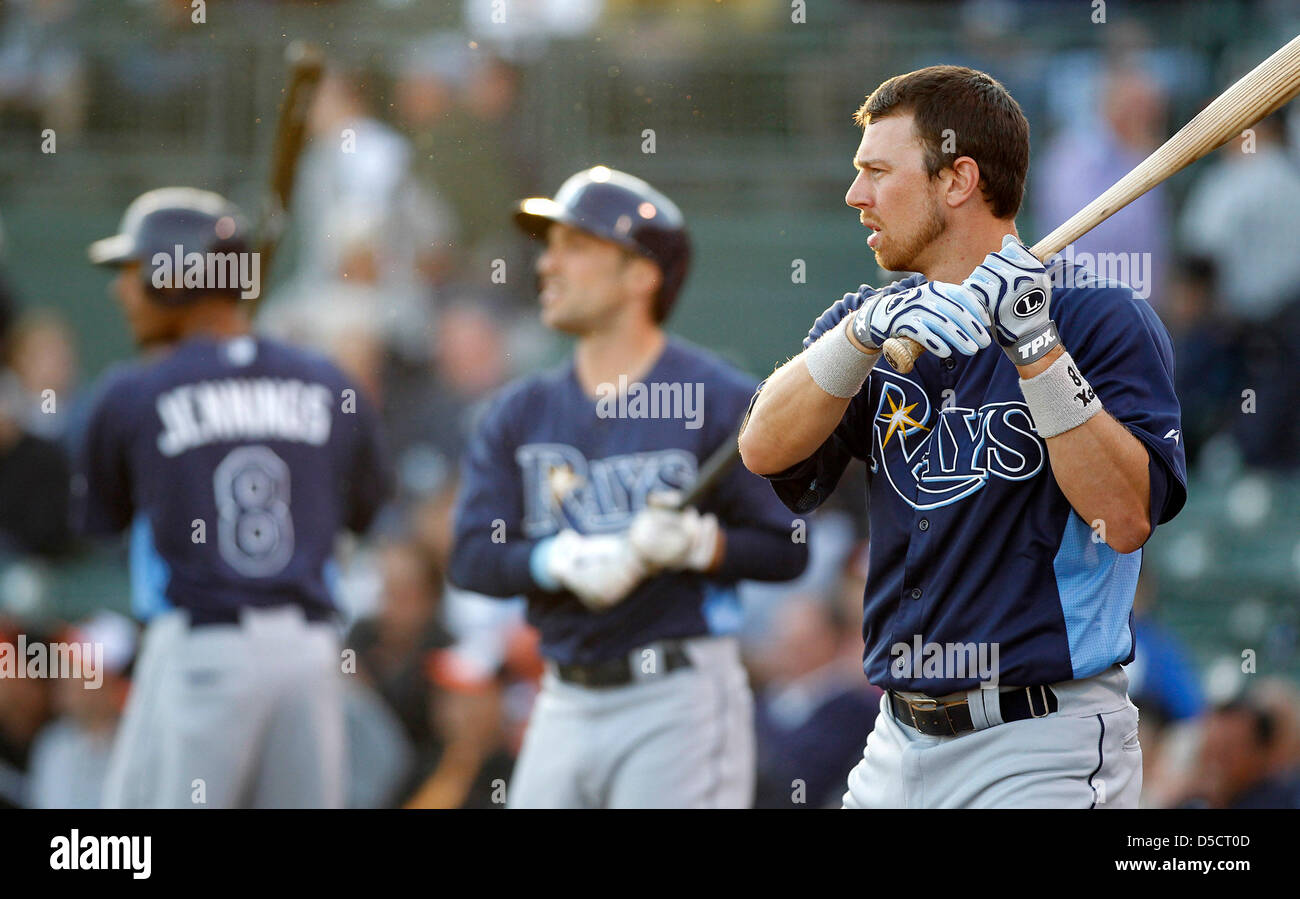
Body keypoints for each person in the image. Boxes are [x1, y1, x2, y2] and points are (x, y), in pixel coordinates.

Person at [739, 65, 1187, 809]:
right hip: (895, 737)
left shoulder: (1097, 318)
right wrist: (859, 335)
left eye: (878, 173)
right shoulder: (876, 324)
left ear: (958, 180)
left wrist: (1036, 348)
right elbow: (764, 447)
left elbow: (1127, 515)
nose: (856, 196)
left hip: (1041, 737)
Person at [449, 166, 807, 808]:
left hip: (676, 696)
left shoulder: (717, 396)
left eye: (575, 247)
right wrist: (552, 558)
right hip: (560, 695)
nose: (548, 266)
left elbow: (788, 546)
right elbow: (471, 556)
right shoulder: (519, 411)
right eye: (550, 247)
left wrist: (702, 547)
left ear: (641, 274)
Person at [74, 187, 392, 808]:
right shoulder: (328, 381)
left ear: (175, 276)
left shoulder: (132, 393)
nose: (121, 290)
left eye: (135, 272)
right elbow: (367, 508)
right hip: (310, 654)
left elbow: (100, 521)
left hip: (203, 651)